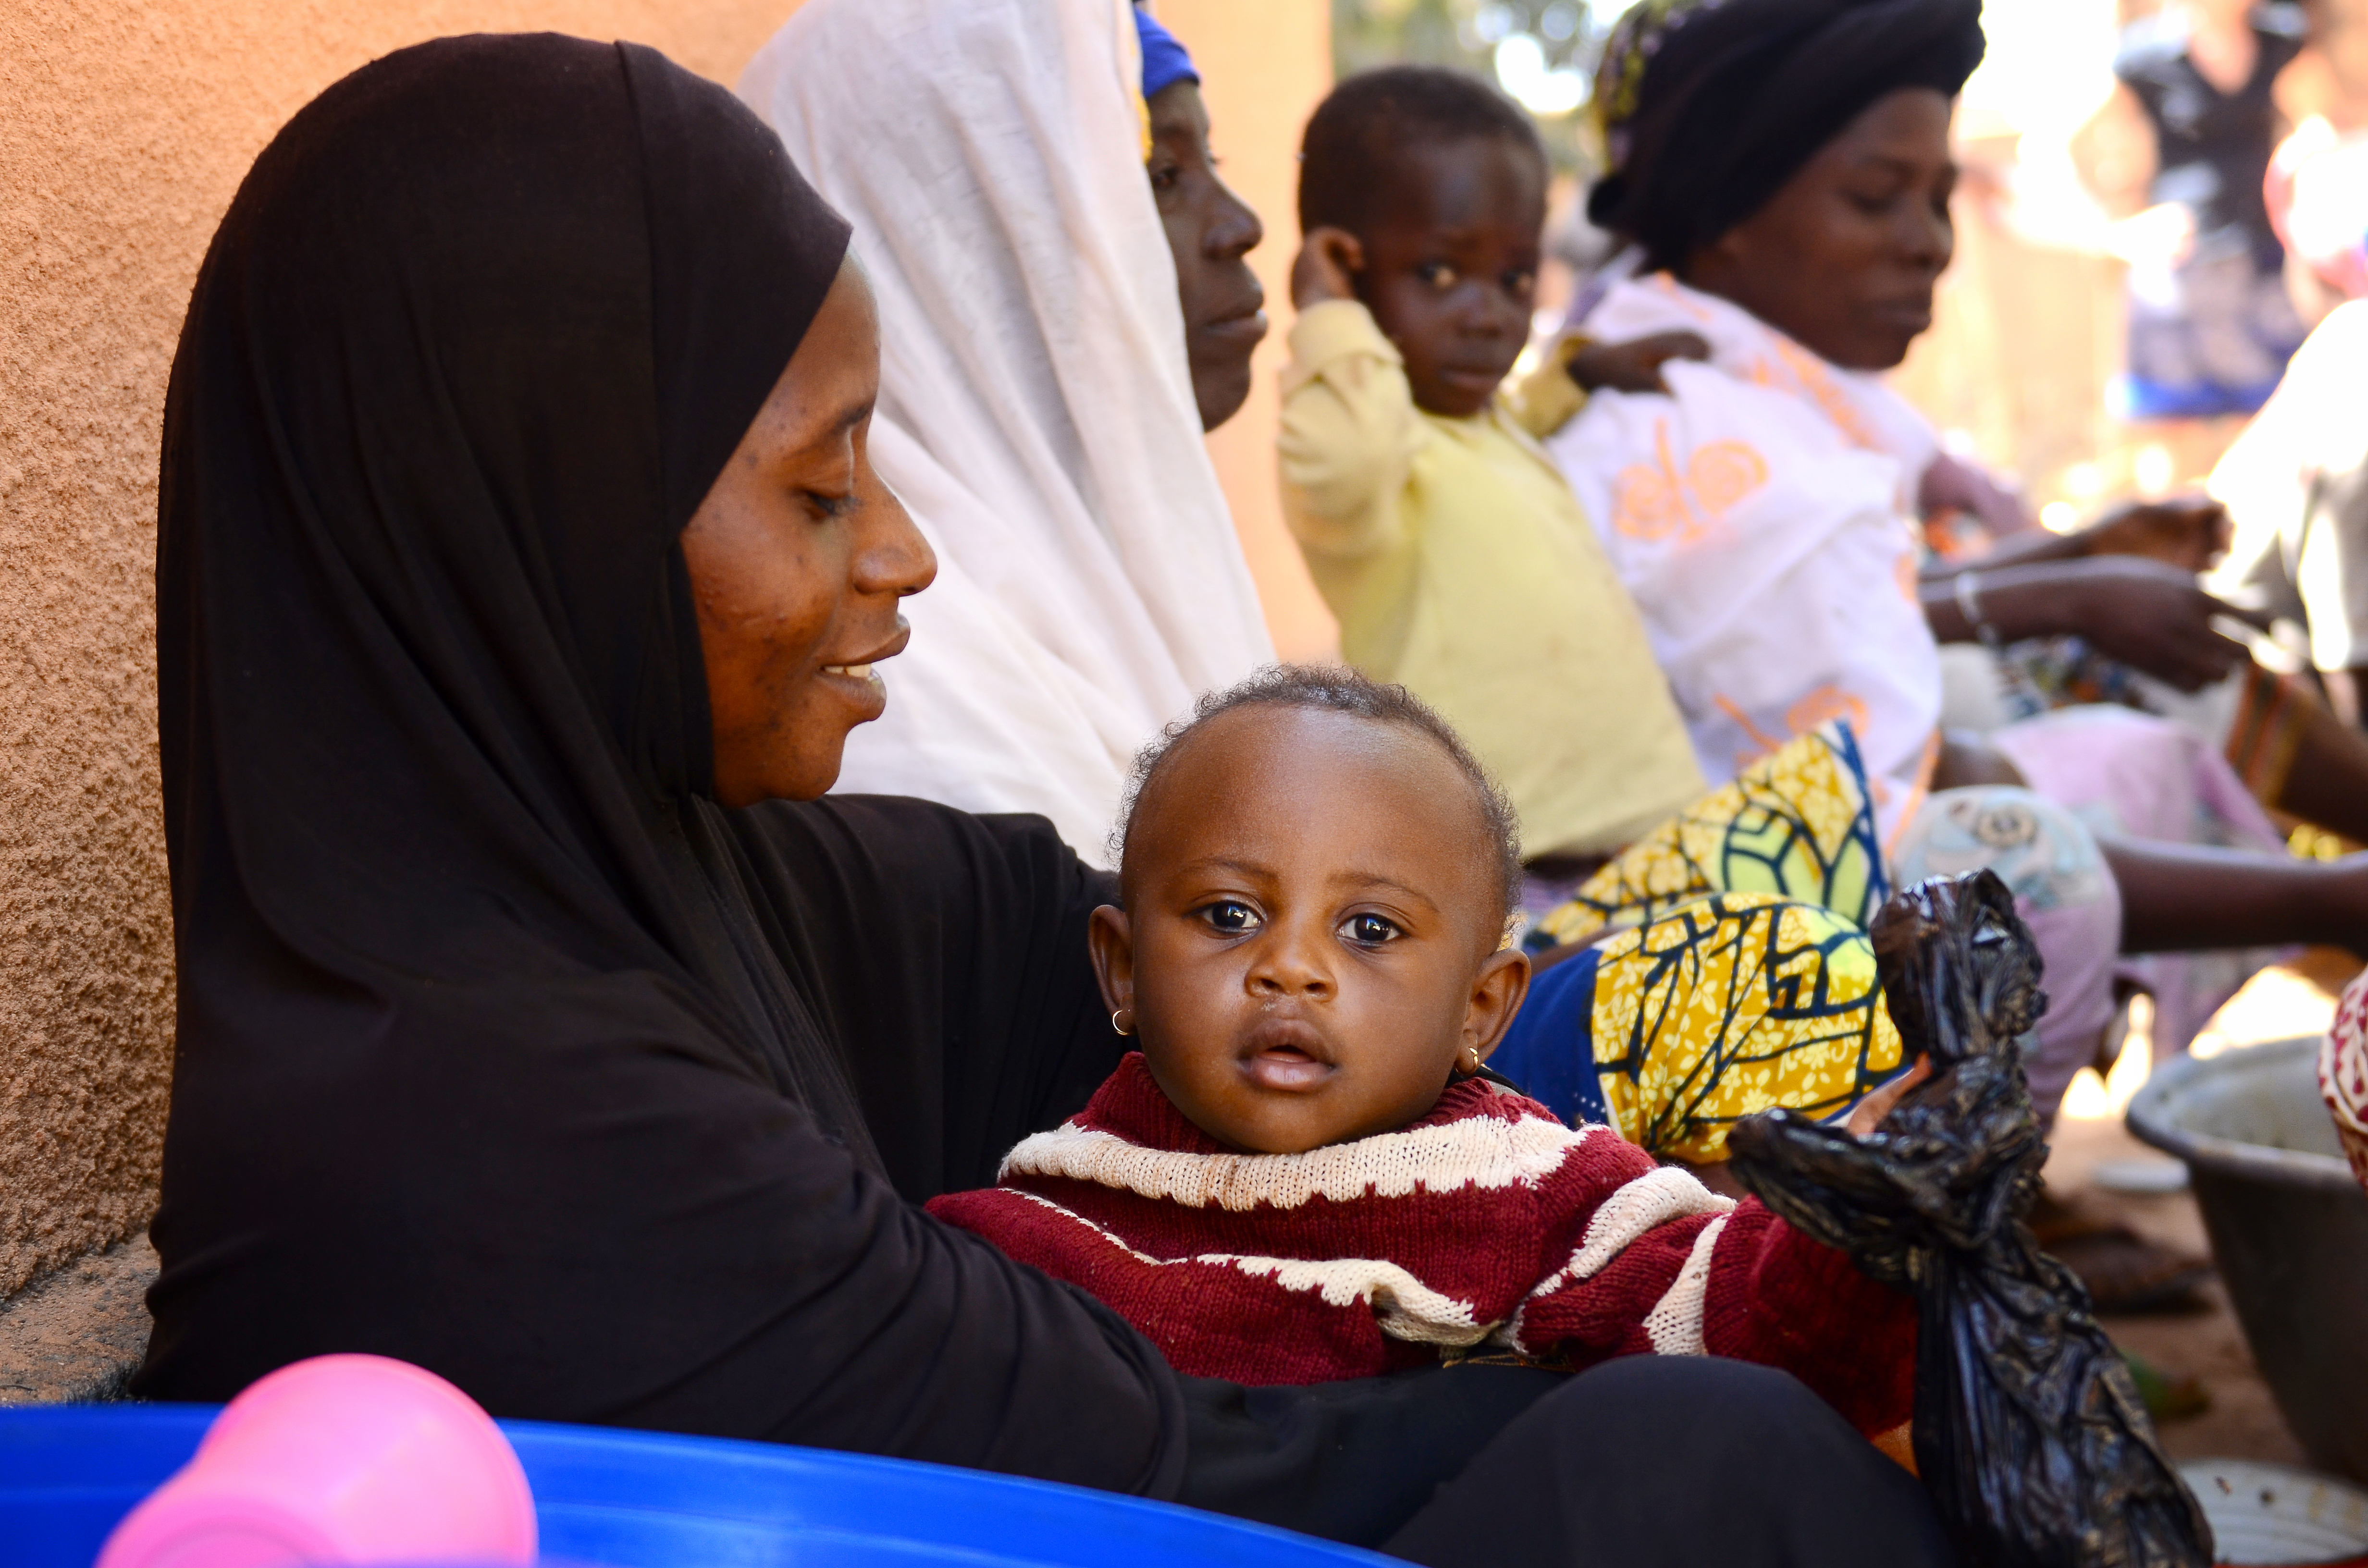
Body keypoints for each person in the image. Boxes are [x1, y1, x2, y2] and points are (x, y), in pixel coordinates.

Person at [136, 35, 1958, 1568]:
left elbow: (1095, 932)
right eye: (820, 487)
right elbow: (1180, 1467)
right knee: (1687, 1466)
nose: (902, 553)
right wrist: (1732, 1323)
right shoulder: (500, 1145)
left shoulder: (655, 893)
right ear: (532, 518)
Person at [928, 668, 1917, 1460]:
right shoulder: (1031, 1222)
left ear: (1479, 1010)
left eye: (1369, 929)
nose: (1291, 969)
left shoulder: (1530, 1190)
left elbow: (1733, 1325)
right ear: (1125, 967)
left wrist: (1867, 1228)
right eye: (1228, 916)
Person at [737, 0, 1274, 862]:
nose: (1238, 225)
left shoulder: (1125, 568)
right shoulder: (884, 685)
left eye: (1207, 164)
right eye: (1160, 177)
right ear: (950, 241)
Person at [1277, 67, 1711, 863]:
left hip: (1659, 829)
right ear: (1344, 263)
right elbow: (1351, 460)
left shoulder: (1480, 424)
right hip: (1530, 872)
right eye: (1439, 274)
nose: (1487, 316)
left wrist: (1579, 374)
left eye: (1513, 278)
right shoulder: (1368, 464)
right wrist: (1328, 316)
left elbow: (1514, 416)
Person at [2073, 0, 2311, 421]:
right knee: (2176, 434)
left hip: (2267, 267)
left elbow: (2320, 122)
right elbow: (2070, 144)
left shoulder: (2284, 40)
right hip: (2183, 271)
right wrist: (2118, 229)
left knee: (2285, 421)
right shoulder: (2144, 56)